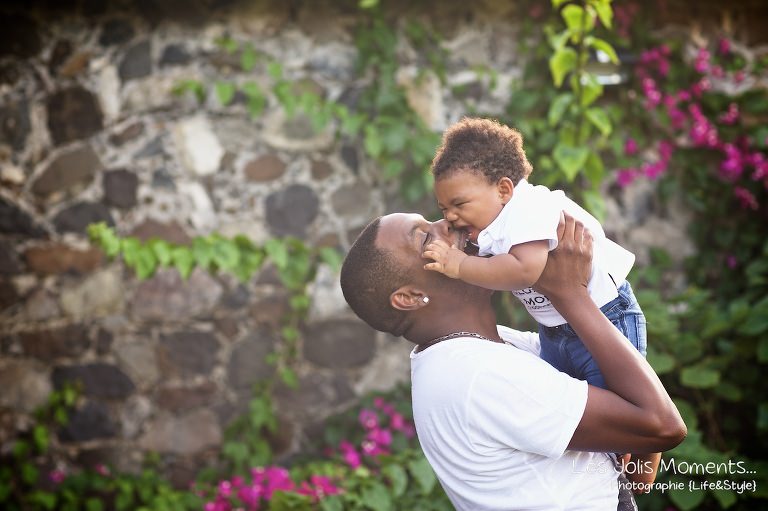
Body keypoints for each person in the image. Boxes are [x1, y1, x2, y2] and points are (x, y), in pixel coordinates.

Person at [339, 212, 685, 510]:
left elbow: (640, 456)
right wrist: (569, 294)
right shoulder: (473, 375)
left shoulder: (492, 348)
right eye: (426, 237)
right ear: (411, 297)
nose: (449, 222)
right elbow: (661, 425)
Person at [423, 117, 659, 486]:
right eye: (443, 209)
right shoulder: (494, 224)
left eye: (459, 204)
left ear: (503, 189)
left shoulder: (528, 209)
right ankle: (616, 479)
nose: (450, 217)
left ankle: (647, 455)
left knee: (625, 408)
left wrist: (459, 264)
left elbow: (524, 270)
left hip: (605, 318)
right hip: (555, 331)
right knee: (587, 415)